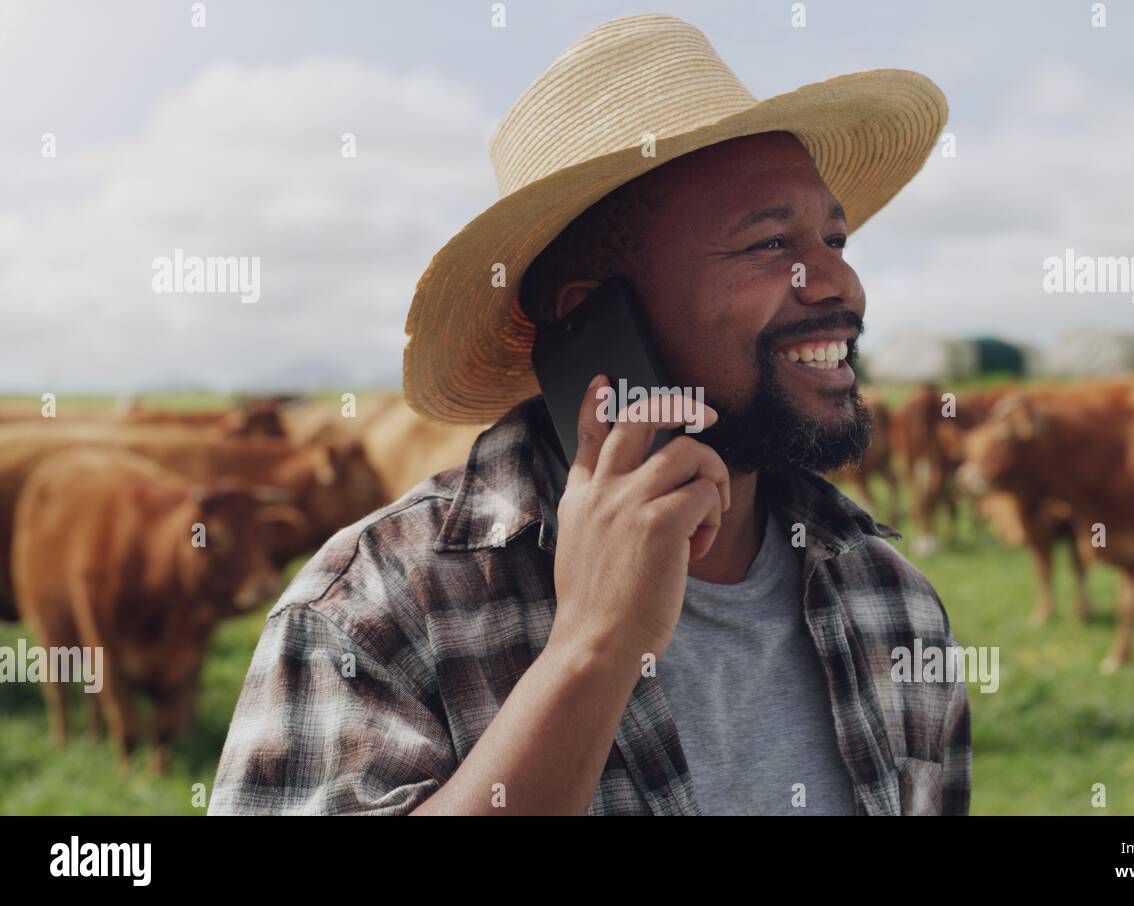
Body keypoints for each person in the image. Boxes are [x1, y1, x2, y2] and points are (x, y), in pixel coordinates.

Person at [210, 12, 969, 816]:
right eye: (769, 245)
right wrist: (593, 648)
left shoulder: (892, 603)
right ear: (594, 320)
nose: (841, 286)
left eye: (834, 238)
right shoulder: (374, 612)